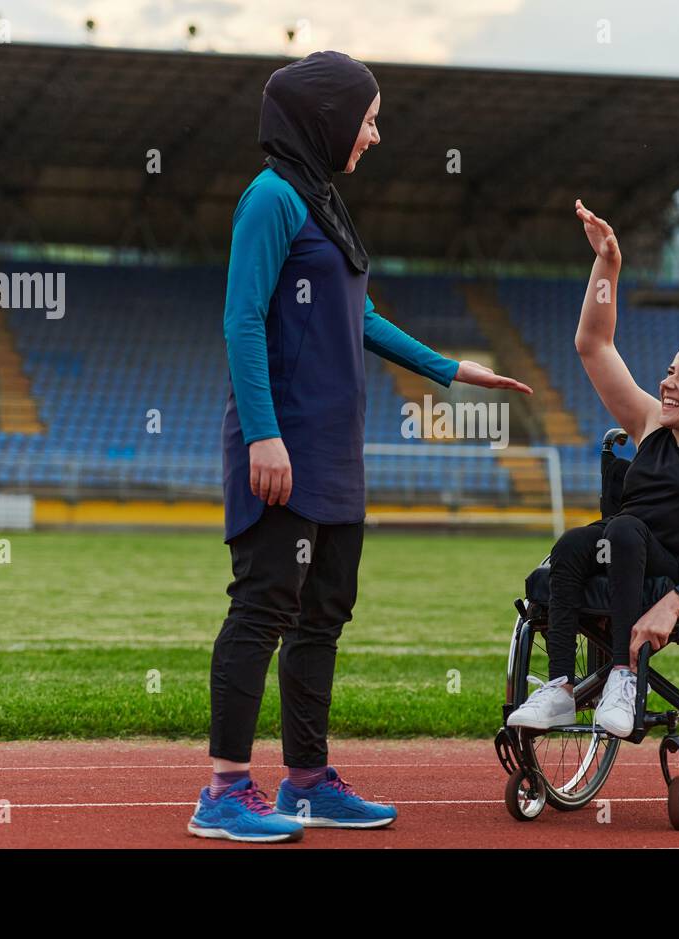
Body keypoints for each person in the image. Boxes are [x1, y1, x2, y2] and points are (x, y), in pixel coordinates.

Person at [187, 51, 531, 843]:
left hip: (336, 451)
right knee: (263, 606)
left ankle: (306, 780)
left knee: (323, 615)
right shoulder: (271, 197)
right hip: (284, 444)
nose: (375, 134)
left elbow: (360, 318)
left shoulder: (322, 201)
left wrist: (451, 368)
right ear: (327, 118)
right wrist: (265, 434)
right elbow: (242, 319)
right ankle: (224, 790)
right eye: (369, 118)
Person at [506, 199, 679, 738]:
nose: (667, 384)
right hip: (626, 557)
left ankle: (624, 679)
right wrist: (607, 265)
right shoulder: (650, 422)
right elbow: (593, 344)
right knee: (572, 544)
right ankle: (560, 686)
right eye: (669, 371)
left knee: (625, 530)